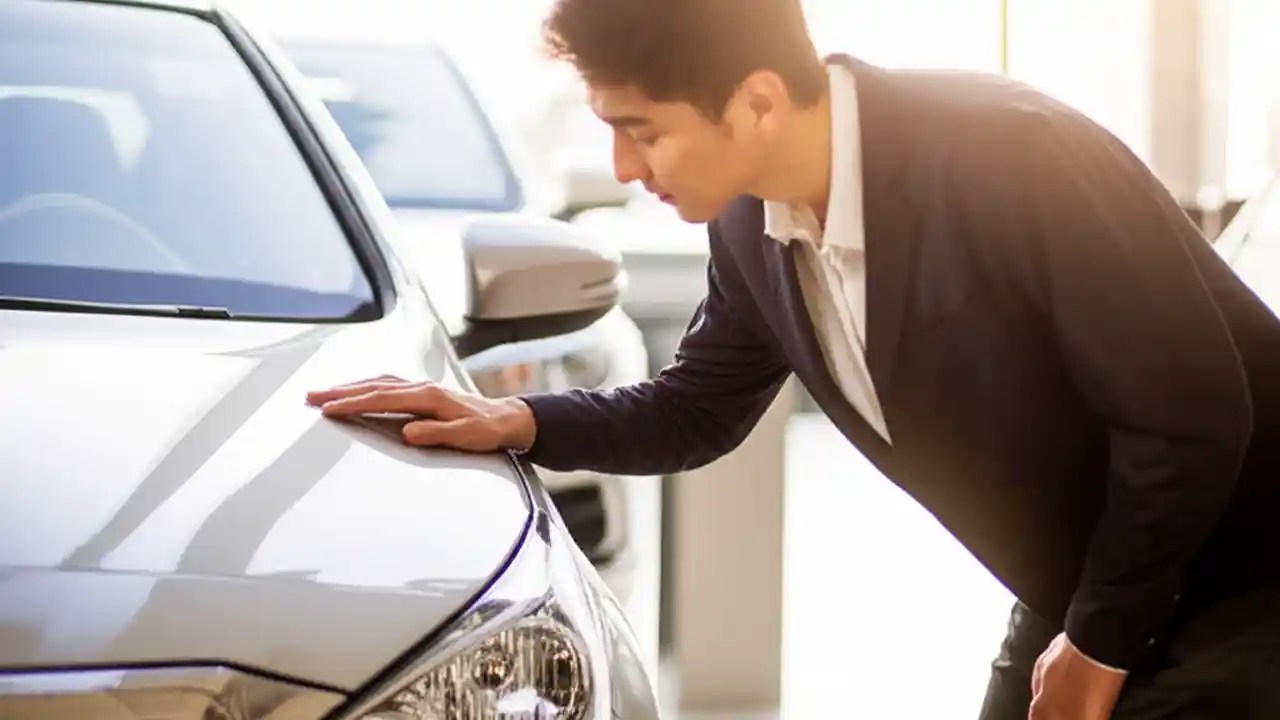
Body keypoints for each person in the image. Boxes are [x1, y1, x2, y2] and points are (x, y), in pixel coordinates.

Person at [307, 1, 1280, 717]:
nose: (623, 169)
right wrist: (519, 420)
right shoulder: (750, 228)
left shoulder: (1011, 156)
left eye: (640, 130)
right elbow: (696, 408)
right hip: (1090, 581)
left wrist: (1098, 645)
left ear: (757, 103)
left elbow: (1189, 417)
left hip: (1245, 577)